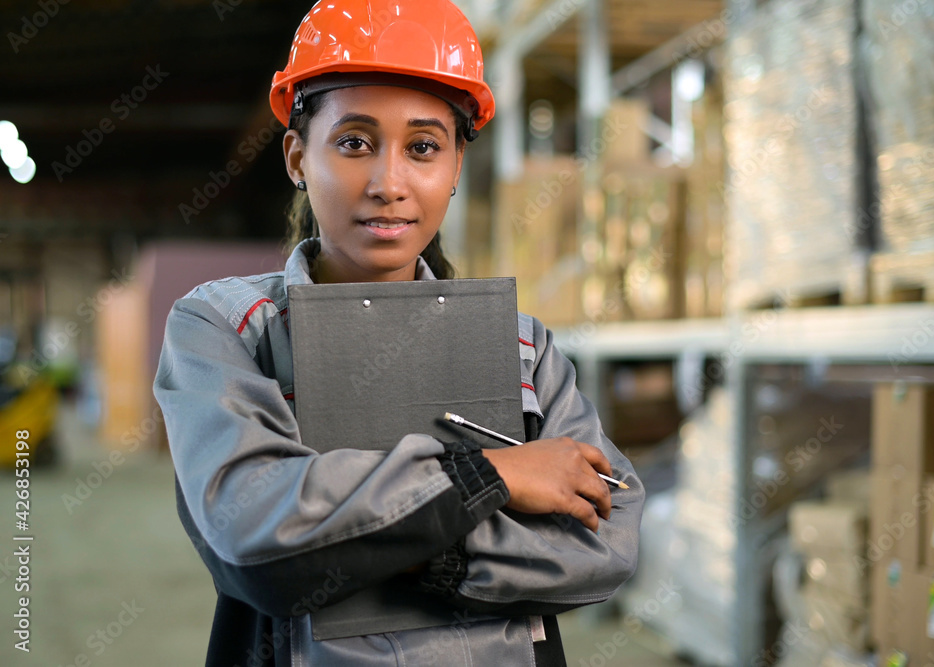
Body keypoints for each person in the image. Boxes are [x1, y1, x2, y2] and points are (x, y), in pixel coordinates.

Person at [152, 1, 644, 665]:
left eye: (422, 147)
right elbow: (252, 527)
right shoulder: (225, 329)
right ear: (298, 156)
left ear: (456, 167)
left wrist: (372, 541)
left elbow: (606, 543)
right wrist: (490, 476)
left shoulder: (521, 346)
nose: (389, 183)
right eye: (354, 142)